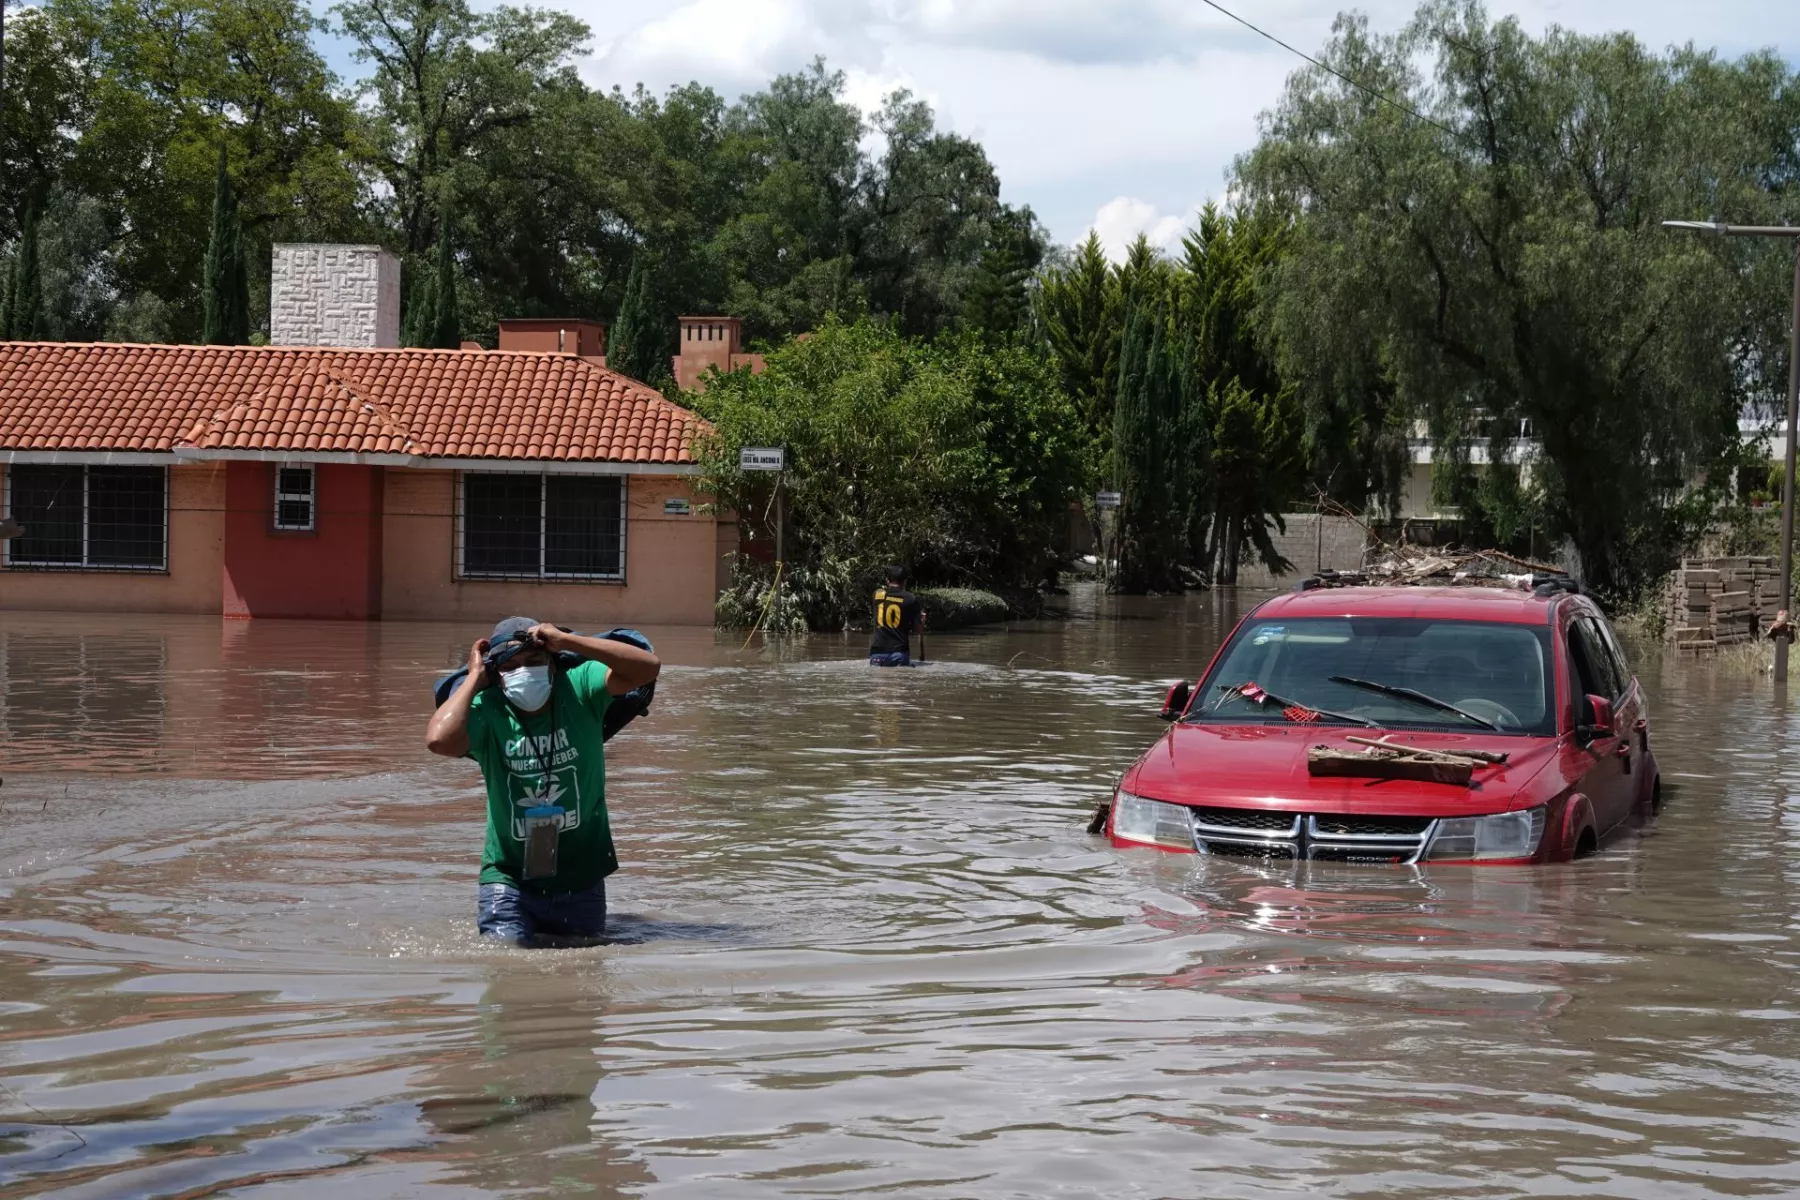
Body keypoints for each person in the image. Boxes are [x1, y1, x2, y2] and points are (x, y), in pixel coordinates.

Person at [426, 616, 660, 946]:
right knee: (508, 968)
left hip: (582, 879)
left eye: (534, 661)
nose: (524, 671)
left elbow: (647, 667)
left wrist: (569, 642)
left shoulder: (581, 686)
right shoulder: (486, 708)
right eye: (511, 665)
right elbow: (438, 740)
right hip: (508, 880)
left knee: (580, 982)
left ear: (552, 664)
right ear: (499, 675)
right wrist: (474, 678)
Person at [869, 565, 925, 667]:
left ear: (887, 580)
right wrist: (922, 621)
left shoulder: (877, 594)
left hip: (877, 654)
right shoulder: (911, 598)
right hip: (899, 654)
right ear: (905, 581)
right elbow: (918, 630)